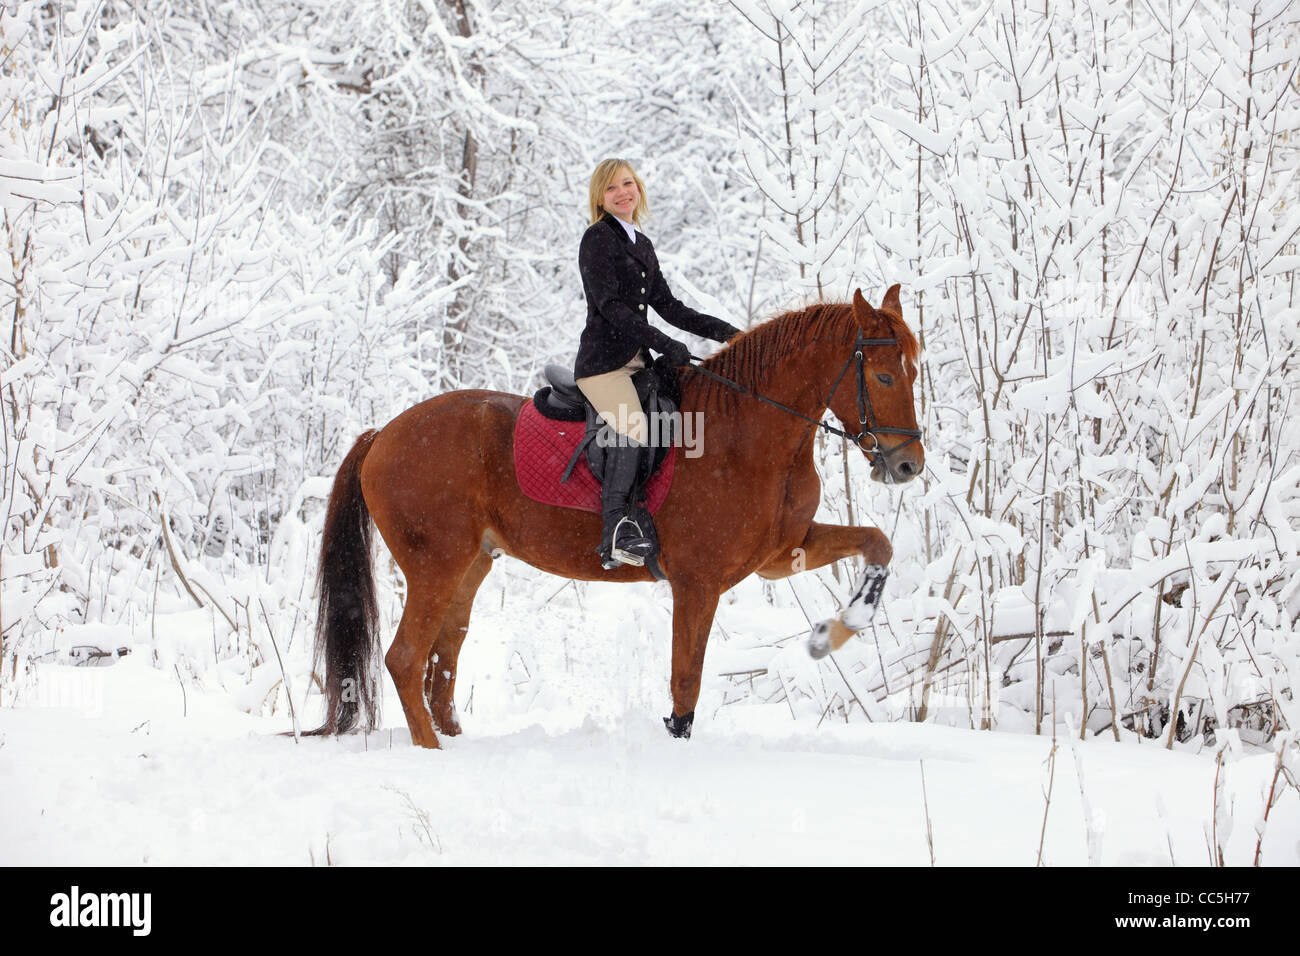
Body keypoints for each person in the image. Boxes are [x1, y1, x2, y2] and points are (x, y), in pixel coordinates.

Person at [575, 158, 741, 569]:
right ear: (600, 197)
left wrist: (731, 334)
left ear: (639, 188)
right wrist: (665, 342)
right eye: (612, 188)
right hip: (603, 365)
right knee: (632, 427)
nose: (622, 193)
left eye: (628, 184)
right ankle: (616, 529)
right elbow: (611, 307)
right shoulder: (597, 239)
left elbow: (668, 305)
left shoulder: (641, 244)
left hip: (636, 361)